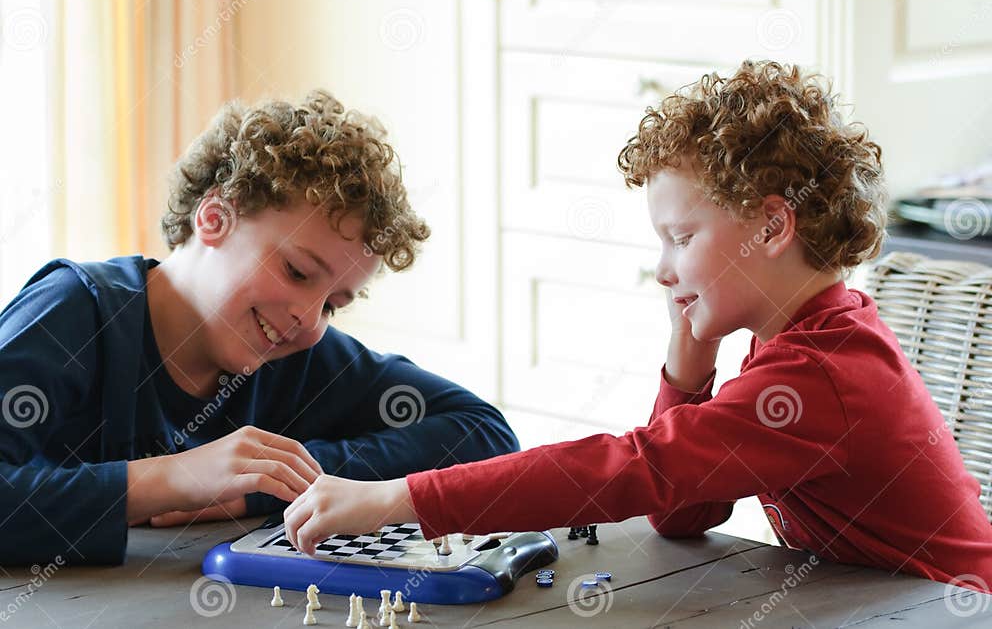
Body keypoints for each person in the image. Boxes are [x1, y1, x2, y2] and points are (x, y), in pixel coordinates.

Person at [282, 62, 992, 592]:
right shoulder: (801, 341)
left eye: (681, 236)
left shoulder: (822, 378)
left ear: (774, 225)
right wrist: (691, 357)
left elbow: (640, 467)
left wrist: (397, 497)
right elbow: (684, 508)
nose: (663, 267)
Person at [0, 90, 518, 565]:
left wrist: (271, 477)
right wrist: (173, 478)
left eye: (334, 304)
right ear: (214, 218)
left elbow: (484, 434)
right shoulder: (76, 309)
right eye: (296, 272)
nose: (308, 319)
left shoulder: (298, 353)